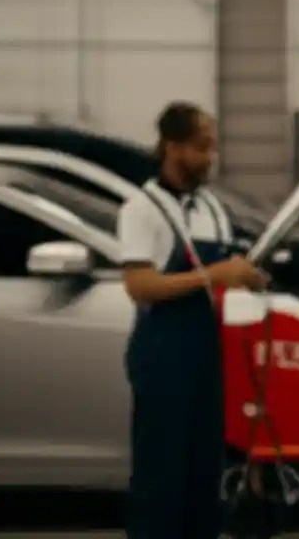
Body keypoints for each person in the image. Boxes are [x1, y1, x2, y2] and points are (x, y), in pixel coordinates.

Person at [118, 101, 269, 538]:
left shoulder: (212, 209)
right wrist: (214, 275)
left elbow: (223, 274)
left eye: (213, 147)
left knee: (204, 476)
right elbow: (140, 285)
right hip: (163, 353)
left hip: (208, 352)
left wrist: (246, 277)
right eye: (203, 147)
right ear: (173, 147)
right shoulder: (141, 209)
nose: (211, 158)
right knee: (160, 477)